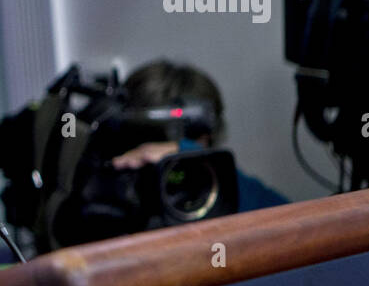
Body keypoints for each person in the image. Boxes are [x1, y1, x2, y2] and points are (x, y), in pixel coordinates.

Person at [111, 59, 288, 211]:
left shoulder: (239, 193)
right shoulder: (115, 198)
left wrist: (197, 163)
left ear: (204, 141)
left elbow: (294, 228)